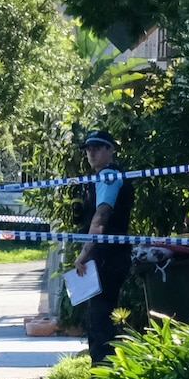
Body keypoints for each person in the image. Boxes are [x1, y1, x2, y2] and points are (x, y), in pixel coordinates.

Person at [71, 131, 136, 364]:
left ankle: (105, 375)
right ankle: (100, 376)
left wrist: (85, 253)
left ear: (111, 150)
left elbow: (101, 216)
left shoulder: (108, 176)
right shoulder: (102, 177)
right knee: (97, 317)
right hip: (108, 255)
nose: (91, 152)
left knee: (100, 319)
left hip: (107, 257)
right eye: (88, 149)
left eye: (98, 147)